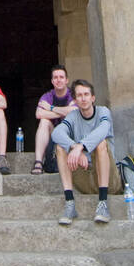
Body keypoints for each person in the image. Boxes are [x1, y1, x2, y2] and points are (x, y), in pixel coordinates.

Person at [52, 79, 122, 225]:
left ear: (93, 98)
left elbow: (103, 130)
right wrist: (73, 146)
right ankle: (70, 203)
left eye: (86, 94)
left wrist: (80, 147)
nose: (83, 98)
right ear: (75, 99)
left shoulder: (103, 112)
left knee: (101, 143)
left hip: (108, 179)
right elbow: (56, 133)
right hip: (85, 176)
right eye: (79, 95)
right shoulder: (73, 116)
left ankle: (103, 203)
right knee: (60, 147)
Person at [31, 65, 74, 174]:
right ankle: (38, 162)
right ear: (52, 81)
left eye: (61, 77)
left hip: (70, 133)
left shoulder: (72, 95)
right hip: (52, 133)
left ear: (67, 80)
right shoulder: (48, 96)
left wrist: (51, 108)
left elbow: (74, 112)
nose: (58, 80)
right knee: (44, 121)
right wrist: (62, 112)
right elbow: (39, 113)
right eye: (55, 77)